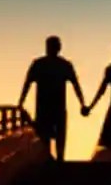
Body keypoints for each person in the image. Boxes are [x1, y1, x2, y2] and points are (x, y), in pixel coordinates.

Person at [18, 35, 86, 163]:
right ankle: (59, 161)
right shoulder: (64, 65)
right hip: (58, 107)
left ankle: (49, 161)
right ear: (59, 48)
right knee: (59, 136)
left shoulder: (39, 64)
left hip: (44, 108)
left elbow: (27, 83)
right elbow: (76, 85)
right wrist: (82, 104)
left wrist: (21, 102)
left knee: (45, 137)